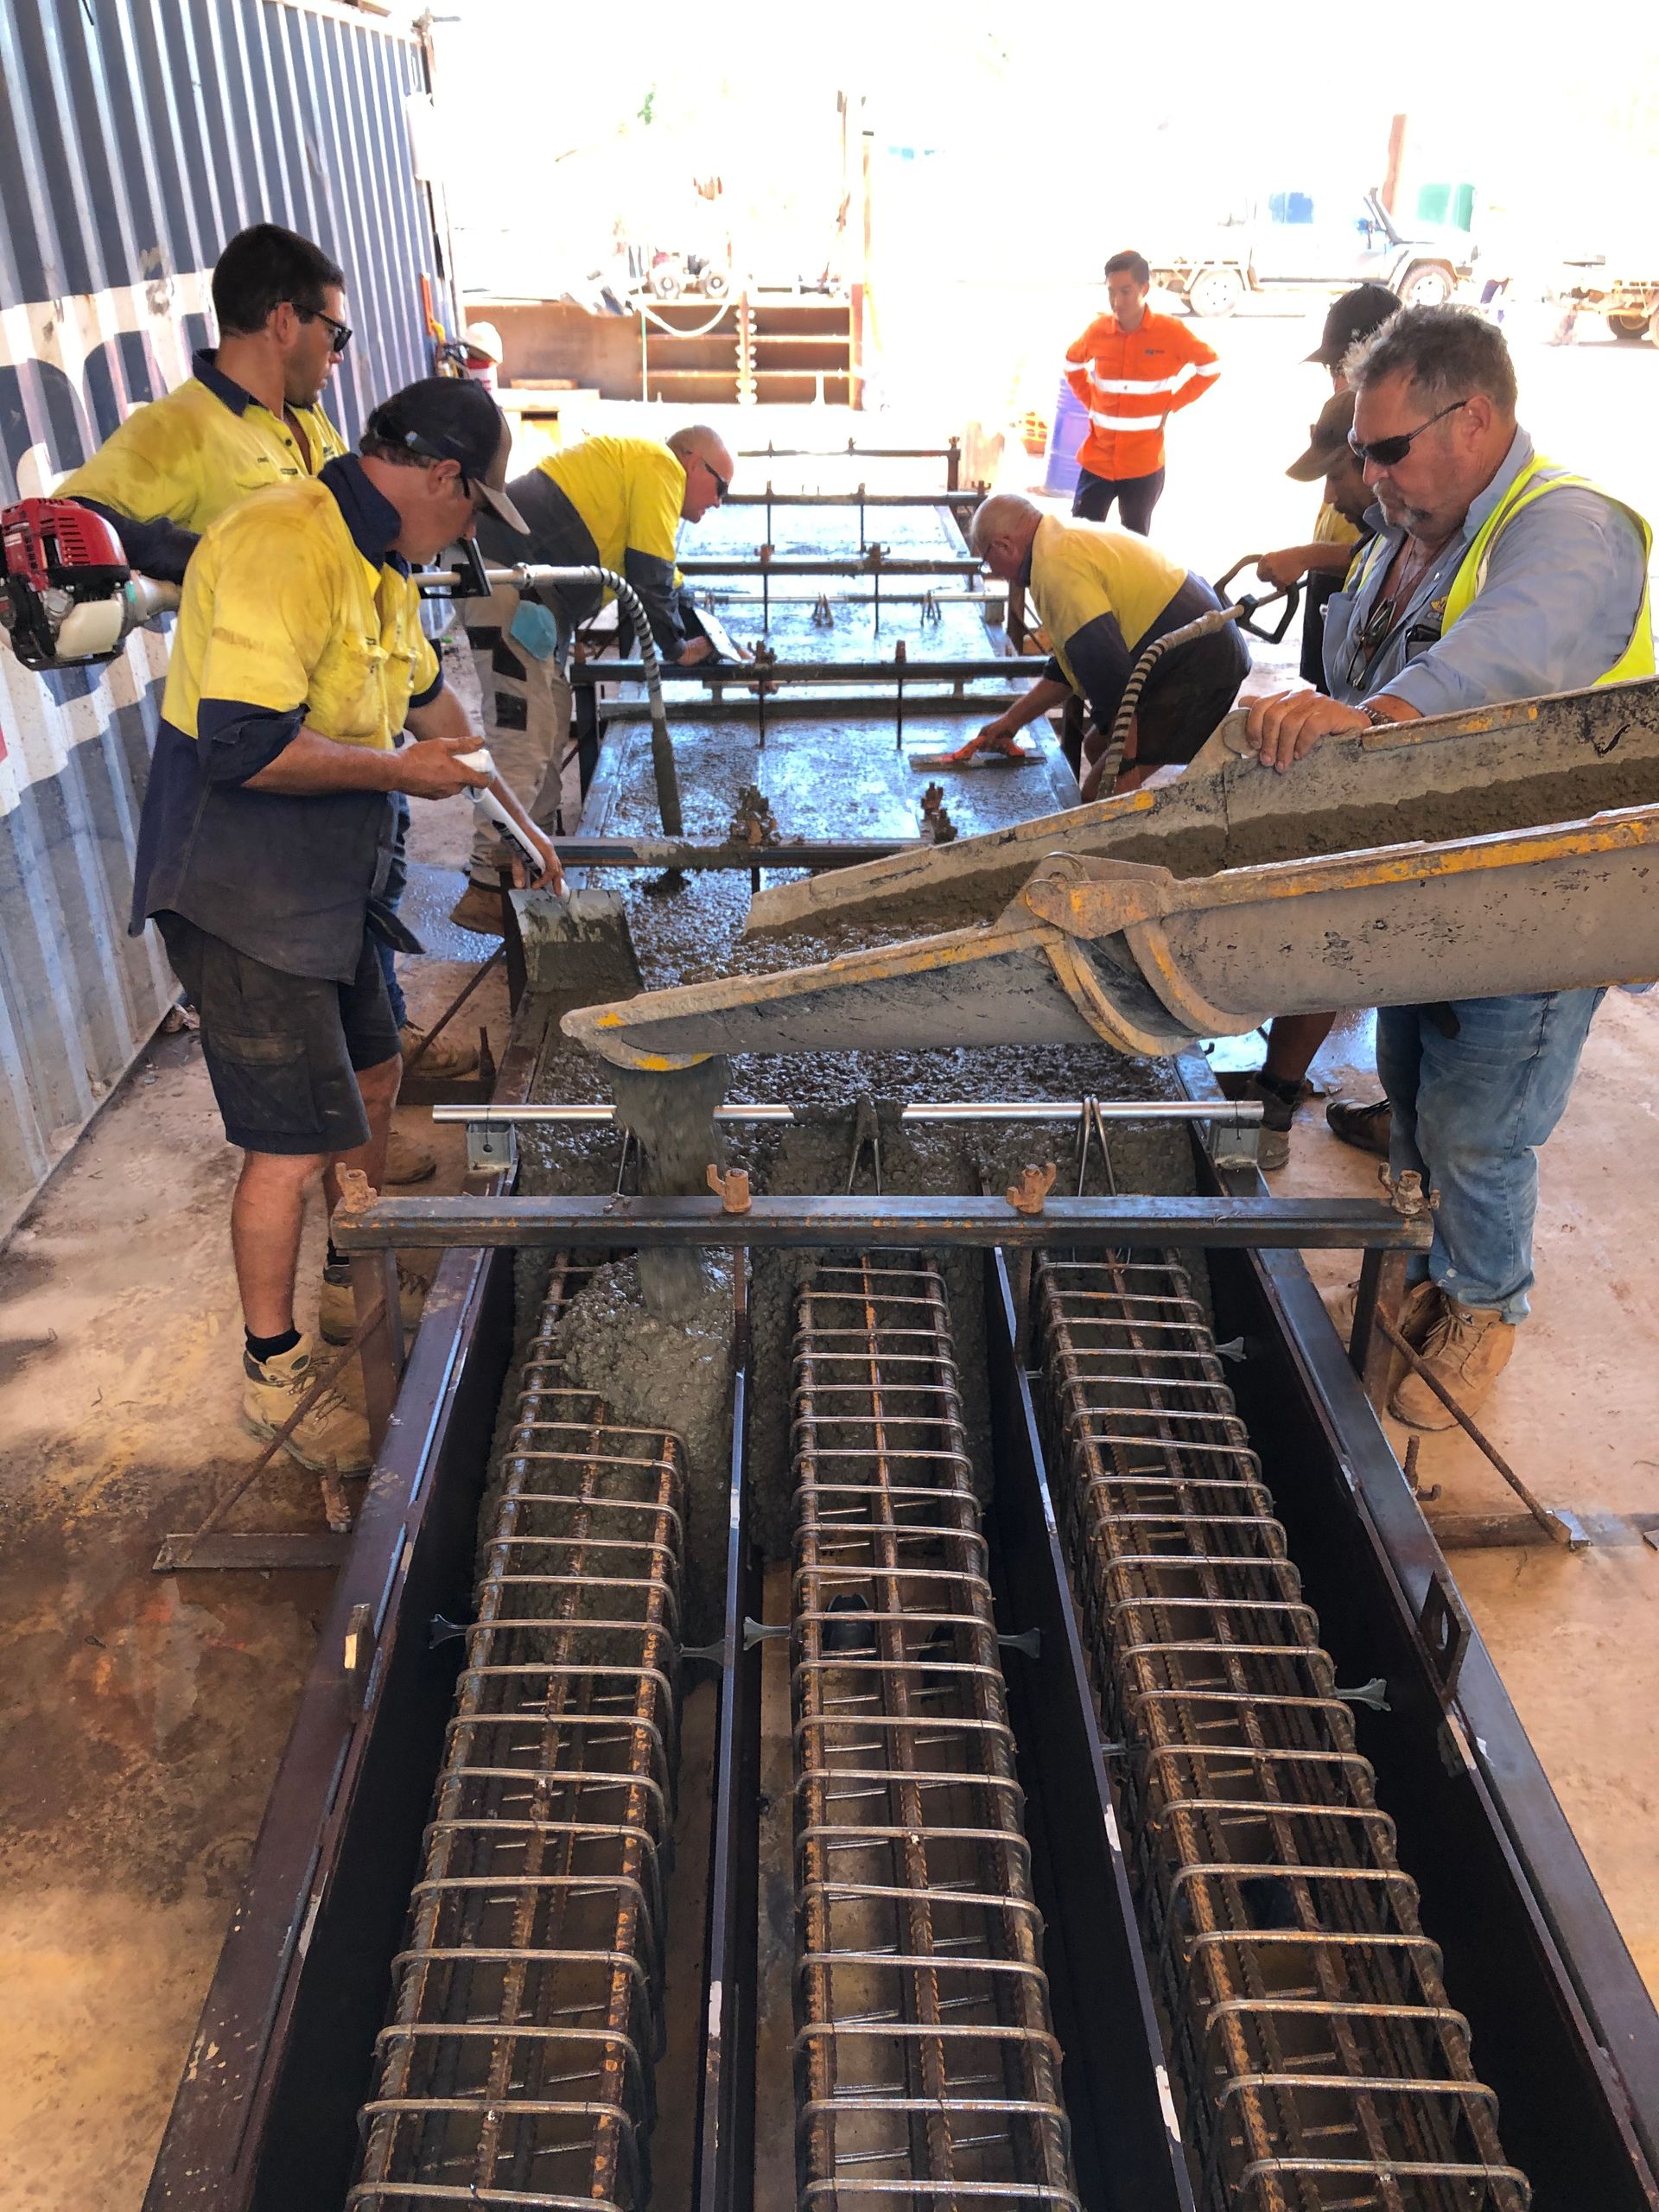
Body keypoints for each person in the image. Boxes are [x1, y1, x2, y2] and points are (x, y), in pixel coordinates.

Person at [129, 378, 563, 1476]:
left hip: (327, 874)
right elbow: (240, 746)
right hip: (238, 883)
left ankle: (348, 1278)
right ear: (440, 478)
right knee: (283, 1147)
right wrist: (401, 774)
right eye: (473, 508)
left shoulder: (379, 565)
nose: (470, 530)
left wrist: (519, 821)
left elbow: (432, 708)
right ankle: (270, 1376)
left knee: (374, 1076)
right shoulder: (286, 541)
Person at [1244, 306, 1651, 1427]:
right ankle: (1429, 1261)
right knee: (1414, 1074)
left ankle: (1487, 1300)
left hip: (1548, 893)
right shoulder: (1417, 534)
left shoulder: (1568, 529)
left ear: (1472, 418)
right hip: (1445, 887)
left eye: (1388, 449)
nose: (1367, 475)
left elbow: (1503, 658)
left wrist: (1374, 717)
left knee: (1485, 1115)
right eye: (1362, 453)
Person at [57, 222, 474, 1158]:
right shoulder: (179, 430)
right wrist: (205, 557)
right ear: (285, 320)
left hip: (351, 731)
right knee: (288, 997)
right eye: (337, 332)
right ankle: (331, 1174)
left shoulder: (316, 427)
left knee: (367, 910)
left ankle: (368, 1102)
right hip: (268, 744)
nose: (339, 353)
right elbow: (79, 519)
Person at [452, 425, 737, 933]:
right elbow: (649, 573)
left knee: (551, 716)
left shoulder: (642, 472)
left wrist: (703, 628)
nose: (719, 502)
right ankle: (487, 885)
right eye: (721, 488)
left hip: (532, 593)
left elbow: (665, 579)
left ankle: (529, 870)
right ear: (693, 463)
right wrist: (677, 648)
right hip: (504, 578)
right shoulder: (660, 466)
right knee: (524, 728)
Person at [1217, 387, 1376, 1166]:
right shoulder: (1387, 528)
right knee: (1323, 922)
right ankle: (1283, 1091)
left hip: (1391, 756)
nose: (1335, 493)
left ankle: (1281, 1104)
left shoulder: (1453, 531)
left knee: (1335, 929)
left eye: (1339, 474)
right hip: (1355, 730)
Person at [966, 495, 1249, 794]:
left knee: (1099, 792)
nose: (994, 572)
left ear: (1004, 546)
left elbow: (1106, 670)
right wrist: (1011, 722)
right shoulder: (1058, 538)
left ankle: (1137, 833)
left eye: (988, 561)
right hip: (1190, 646)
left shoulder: (1056, 568)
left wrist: (1123, 765)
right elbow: (1071, 667)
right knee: (1096, 745)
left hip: (1200, 665)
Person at [1062, 251, 1220, 535]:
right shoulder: (1098, 331)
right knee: (1081, 539)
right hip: (1097, 461)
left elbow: (1210, 367)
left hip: (1143, 465)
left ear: (1144, 289)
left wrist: (1172, 404)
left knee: (1135, 546)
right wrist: (1092, 403)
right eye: (1111, 292)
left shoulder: (1171, 333)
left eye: (1125, 292)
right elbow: (1071, 364)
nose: (1116, 301)